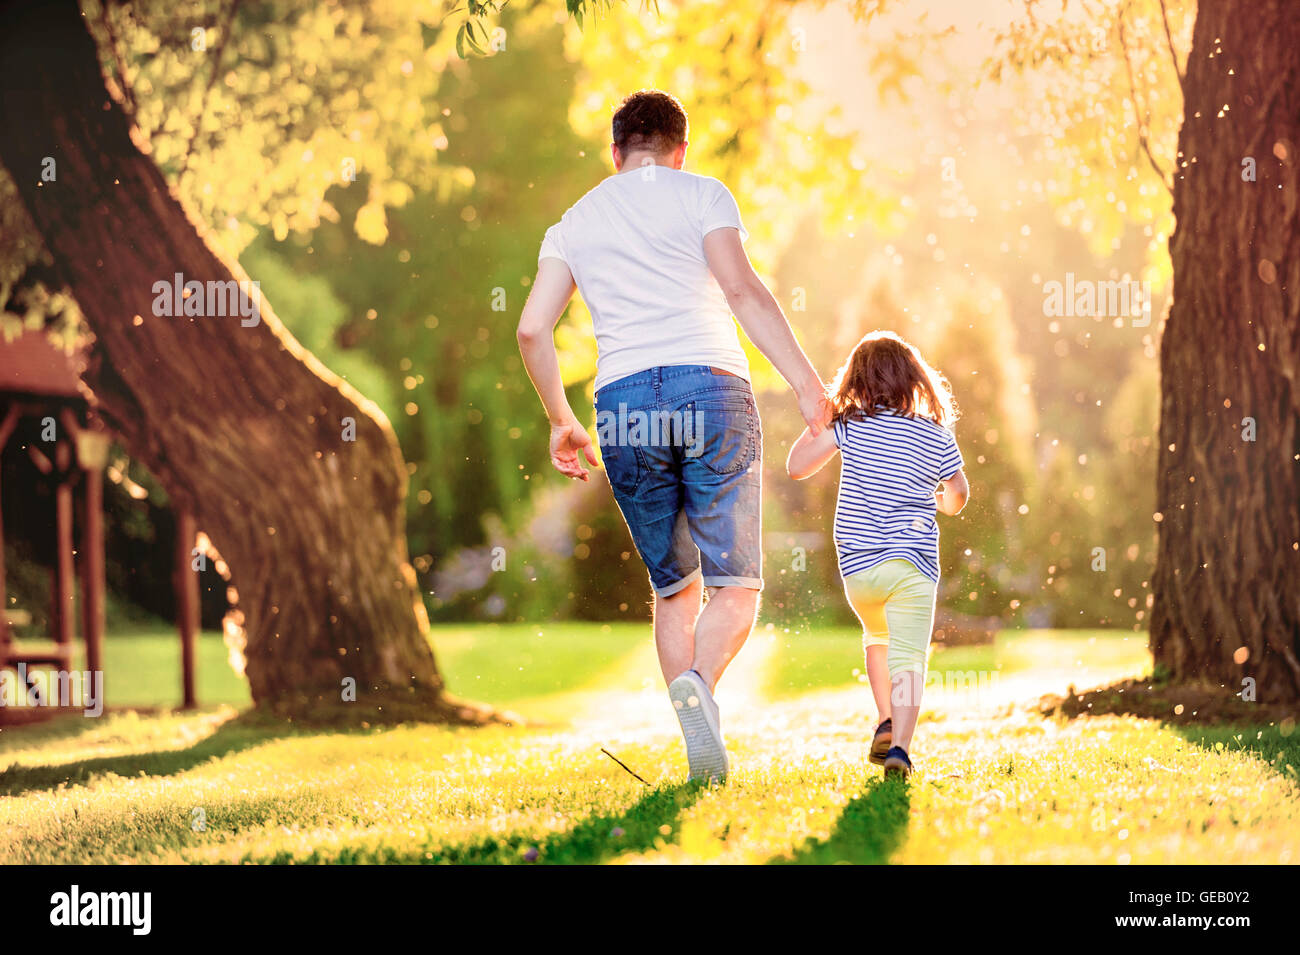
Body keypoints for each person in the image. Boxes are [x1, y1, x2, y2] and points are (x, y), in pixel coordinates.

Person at [516, 89, 830, 782]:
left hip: (624, 405)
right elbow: (743, 290)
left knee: (674, 591)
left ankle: (698, 747)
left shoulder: (575, 221)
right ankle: (703, 684)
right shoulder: (703, 194)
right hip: (711, 389)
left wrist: (560, 420)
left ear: (617, 151)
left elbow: (532, 328)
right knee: (737, 585)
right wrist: (809, 385)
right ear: (681, 148)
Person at [786, 330, 969, 778]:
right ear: (914, 381)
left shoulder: (851, 426)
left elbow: (796, 466)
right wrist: (940, 504)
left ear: (856, 381)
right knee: (908, 657)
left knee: (877, 640)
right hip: (912, 566)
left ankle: (885, 719)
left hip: (859, 571)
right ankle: (900, 749)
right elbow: (959, 493)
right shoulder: (935, 434)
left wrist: (823, 419)